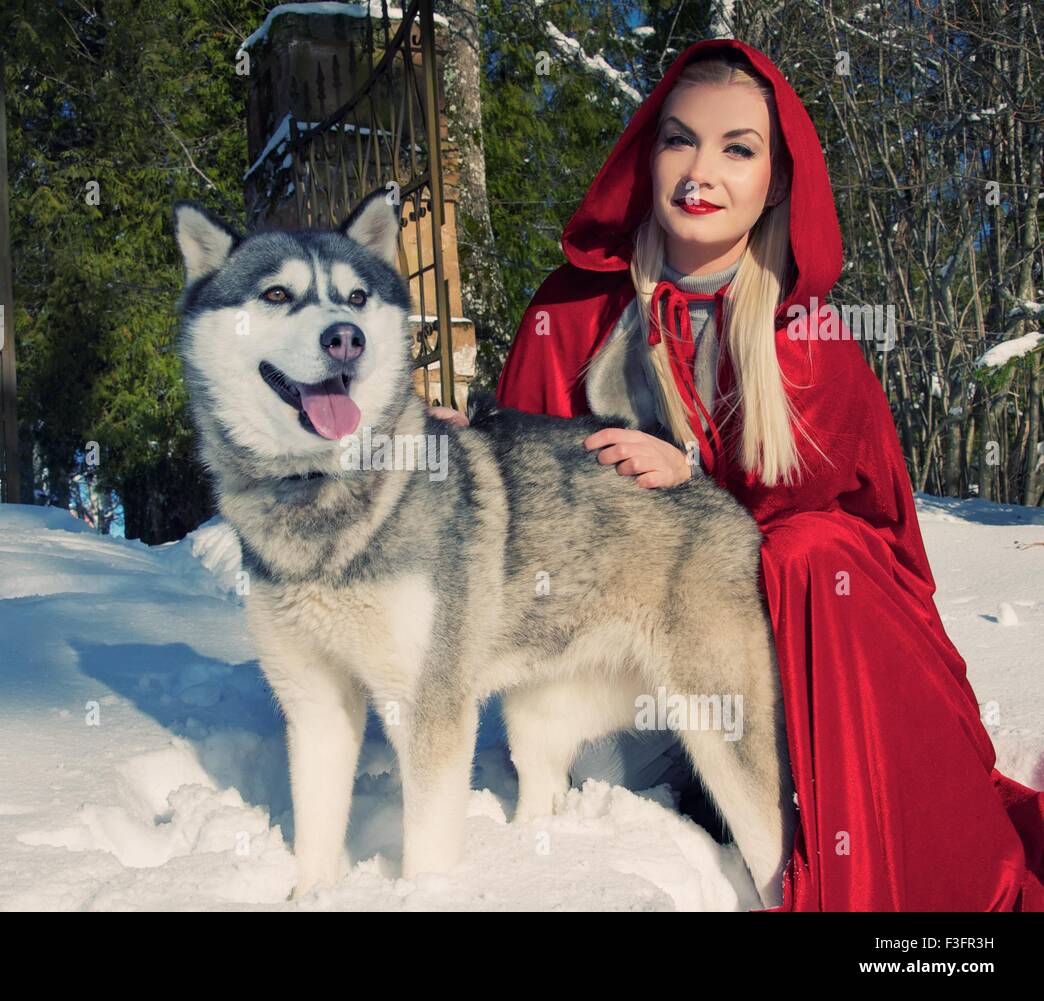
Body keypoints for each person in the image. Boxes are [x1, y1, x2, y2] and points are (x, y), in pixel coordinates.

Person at [434, 37, 1044, 911]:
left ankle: (851, 872)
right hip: (608, 647)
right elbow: (517, 511)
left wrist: (690, 482)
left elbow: (869, 551)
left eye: (737, 148)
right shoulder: (567, 313)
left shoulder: (812, 344)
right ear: (648, 158)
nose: (701, 170)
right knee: (591, 742)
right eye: (680, 139)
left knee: (808, 550)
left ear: (776, 181)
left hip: (789, 646)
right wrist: (475, 450)